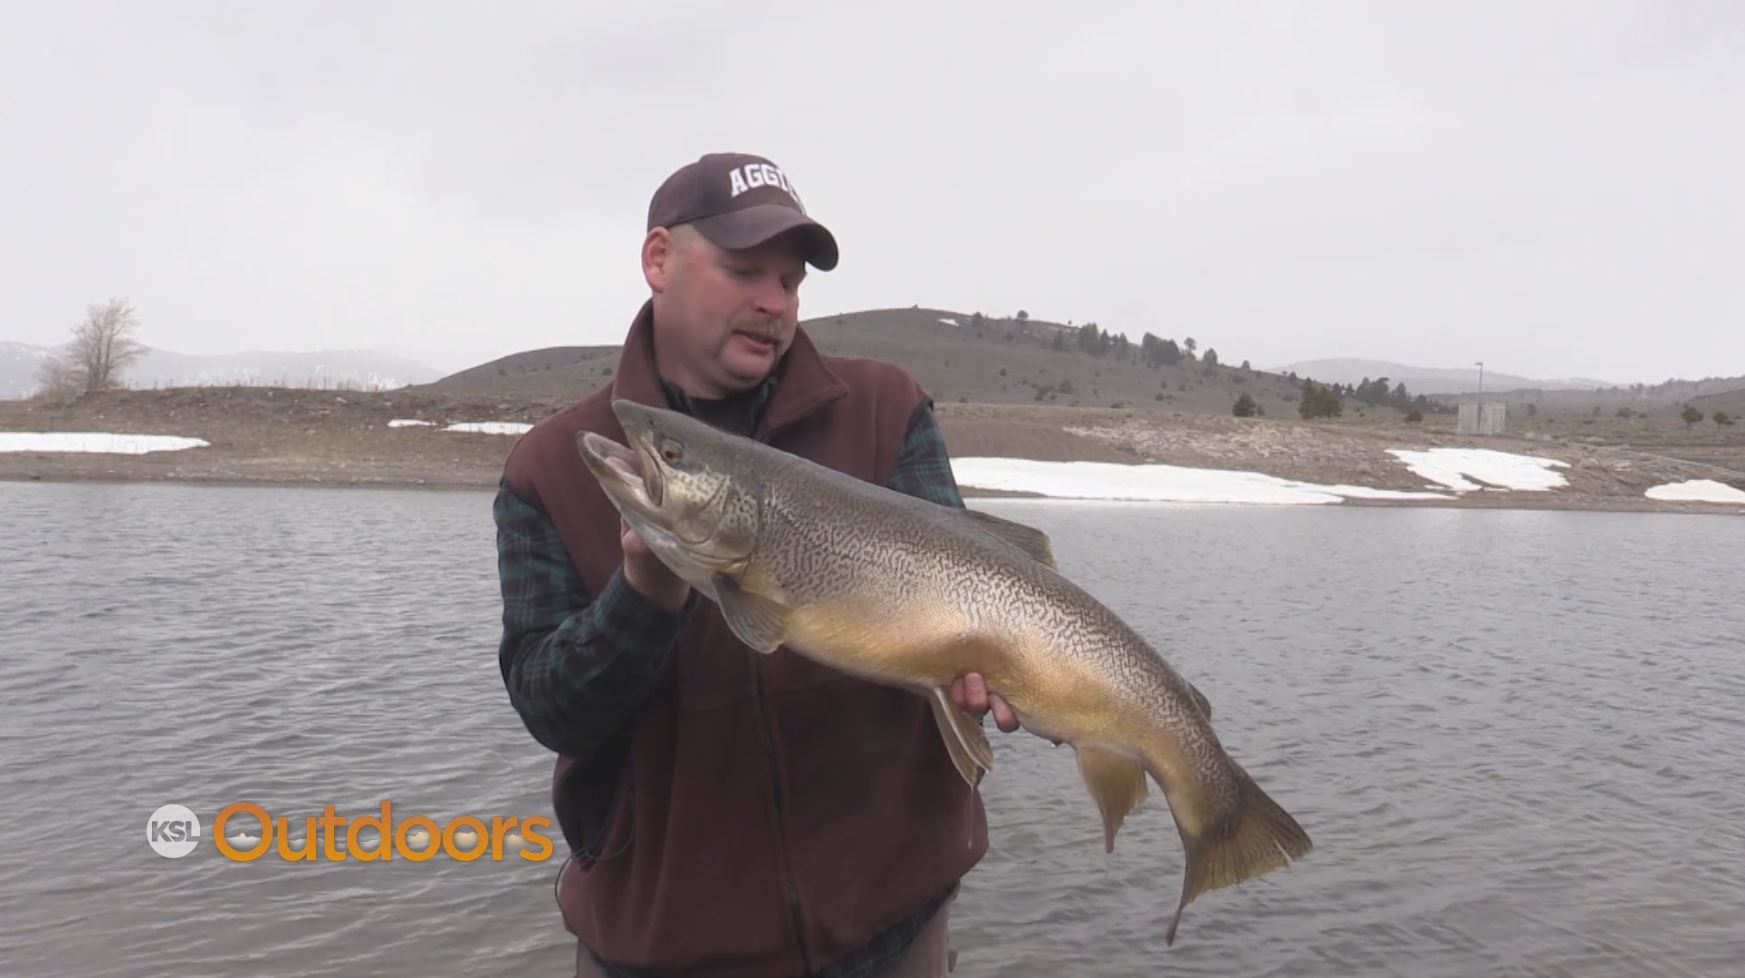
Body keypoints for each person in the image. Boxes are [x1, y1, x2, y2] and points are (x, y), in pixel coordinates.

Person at [493, 151, 1021, 978]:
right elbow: (550, 709)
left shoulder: (885, 408)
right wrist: (643, 593)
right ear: (658, 259)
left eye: (790, 281)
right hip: (660, 945)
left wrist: (987, 671)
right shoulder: (553, 467)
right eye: (744, 271)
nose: (774, 303)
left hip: (891, 923)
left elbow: (964, 580)